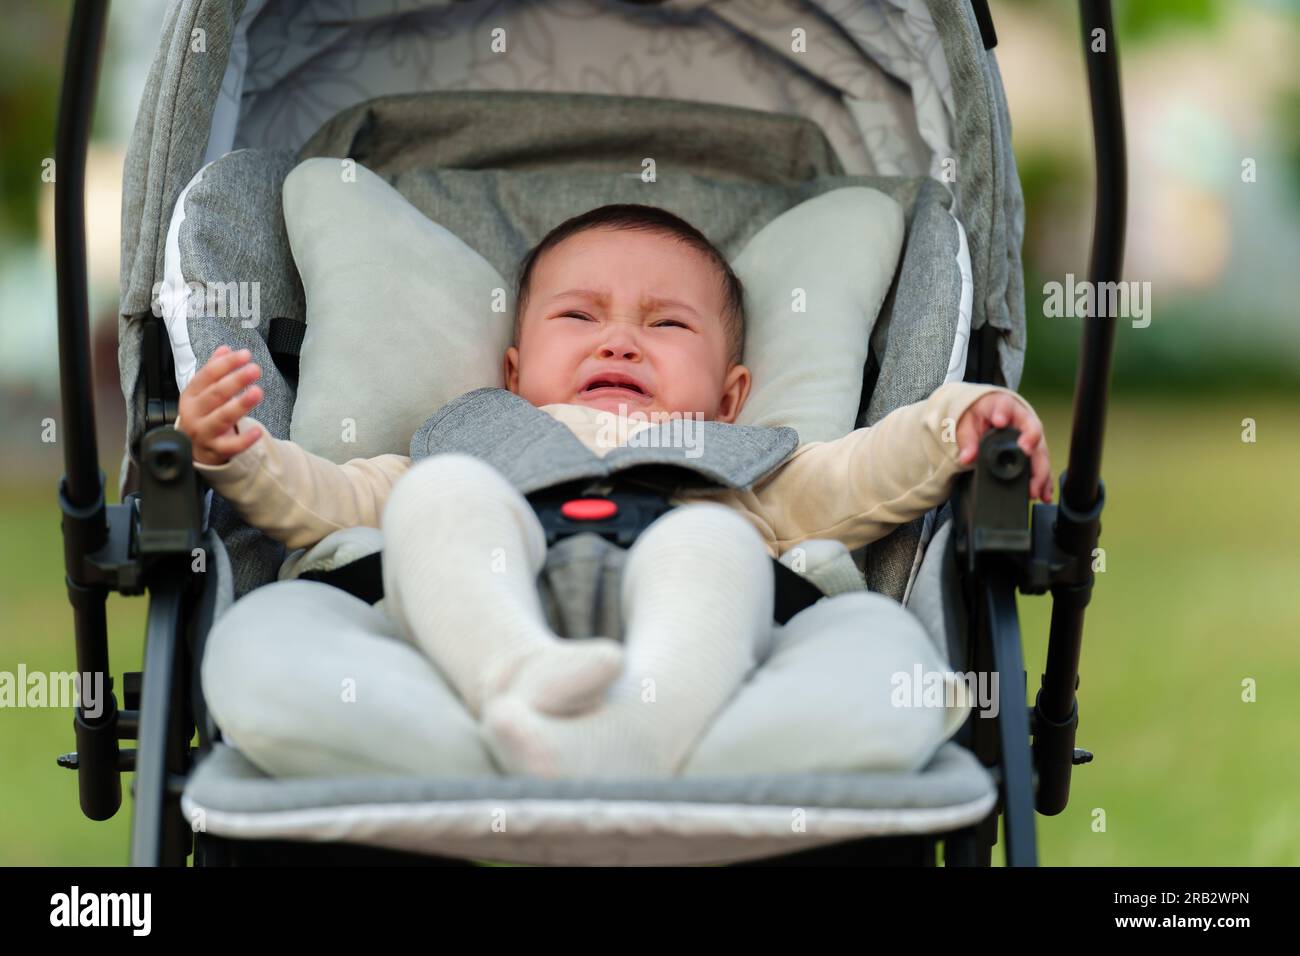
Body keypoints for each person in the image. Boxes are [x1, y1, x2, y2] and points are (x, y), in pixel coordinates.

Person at [183, 204, 1051, 778]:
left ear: (732, 394)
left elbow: (866, 468)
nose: (622, 342)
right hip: (449, 662)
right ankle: (518, 686)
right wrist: (238, 456)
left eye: (667, 323)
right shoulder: (458, 443)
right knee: (411, 524)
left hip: (704, 666)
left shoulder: (753, 465)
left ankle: (622, 730)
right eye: (579, 316)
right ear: (514, 372)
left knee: (854, 635)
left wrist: (961, 420)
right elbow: (322, 499)